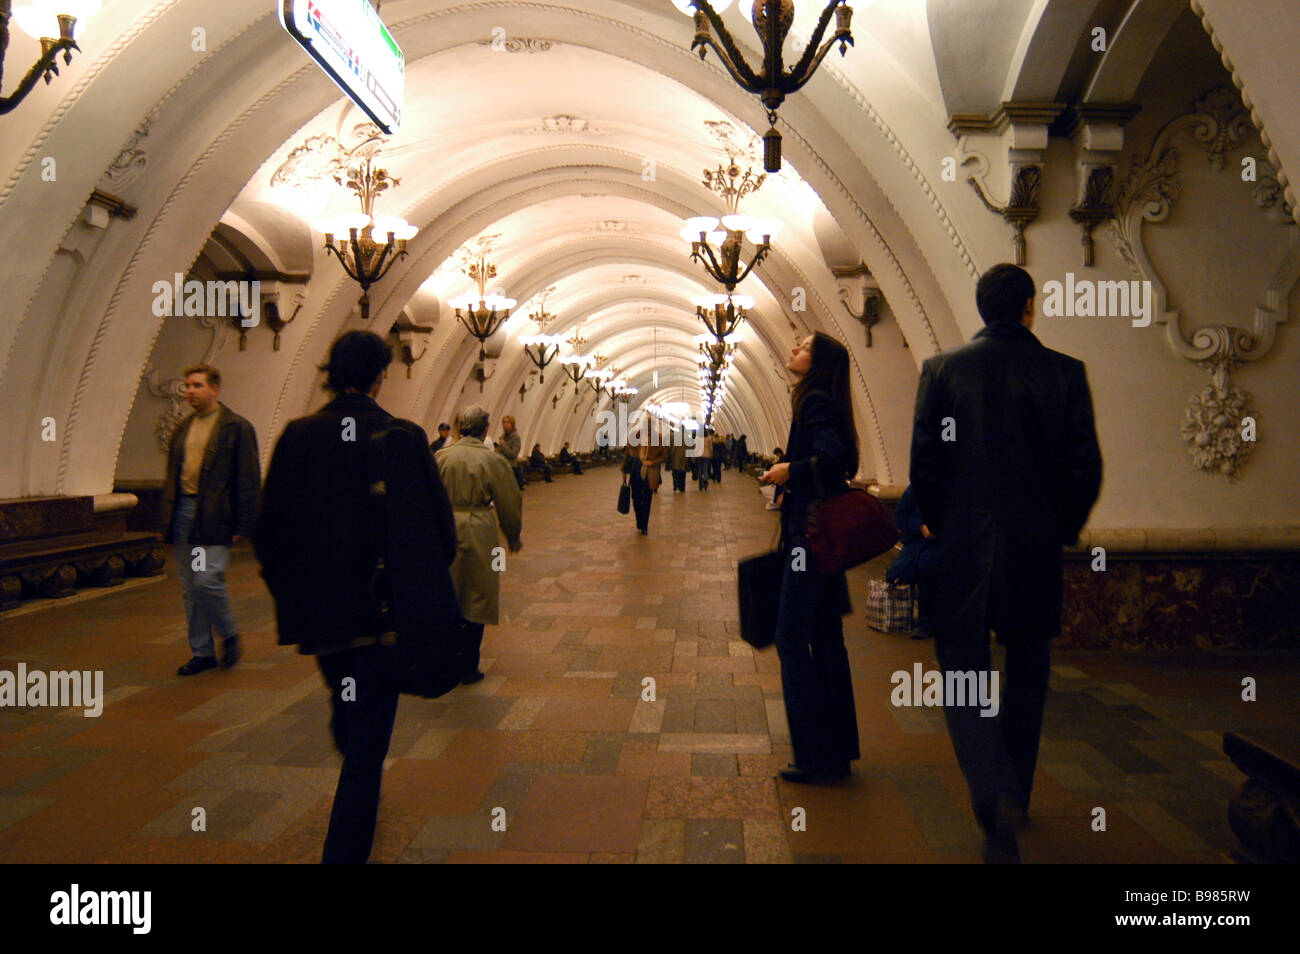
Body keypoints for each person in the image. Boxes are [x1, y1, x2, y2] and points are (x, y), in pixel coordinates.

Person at [910, 263, 1102, 863]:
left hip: (966, 549)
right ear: (1028, 306)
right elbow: (1082, 467)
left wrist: (944, 525)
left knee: (963, 668)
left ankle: (989, 793)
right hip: (1033, 550)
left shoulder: (943, 370)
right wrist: (1058, 529)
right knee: (1027, 670)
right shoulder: (1064, 374)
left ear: (981, 307)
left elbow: (927, 464)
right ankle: (1015, 787)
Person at [254, 330, 459, 864]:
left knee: (348, 698)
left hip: (322, 621)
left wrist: (291, 594)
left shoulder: (296, 436)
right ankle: (343, 853)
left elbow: (269, 531)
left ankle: (346, 720)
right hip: (381, 615)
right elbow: (441, 535)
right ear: (378, 376)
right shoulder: (403, 438)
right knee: (368, 741)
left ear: (328, 371)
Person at [759, 332, 860, 783]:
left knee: (790, 637)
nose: (793, 348)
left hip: (809, 538)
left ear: (819, 363)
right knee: (827, 637)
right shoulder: (826, 399)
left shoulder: (815, 399)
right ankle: (836, 751)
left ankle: (815, 753)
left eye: (803, 346)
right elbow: (844, 463)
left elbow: (833, 461)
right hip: (823, 537)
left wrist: (789, 471)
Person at [161, 364, 260, 676]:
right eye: (188, 385)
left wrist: (244, 524)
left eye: (198, 385)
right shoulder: (183, 428)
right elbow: (172, 477)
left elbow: (248, 478)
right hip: (183, 513)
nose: (190, 391)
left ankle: (229, 634)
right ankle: (202, 652)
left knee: (207, 579)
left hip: (215, 515)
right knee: (191, 588)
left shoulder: (236, 427)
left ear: (215, 389)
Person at [436, 405, 523, 683]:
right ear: (486, 429)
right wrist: (512, 535)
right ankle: (468, 665)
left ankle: (448, 659)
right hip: (479, 525)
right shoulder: (492, 461)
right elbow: (509, 501)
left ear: (460, 427)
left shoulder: (441, 457)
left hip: (447, 527)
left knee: (450, 591)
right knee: (477, 593)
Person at [885, 485, 939, 639]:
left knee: (927, 564)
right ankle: (925, 618)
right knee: (896, 574)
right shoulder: (916, 488)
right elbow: (900, 518)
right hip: (918, 542)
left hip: (944, 545)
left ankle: (927, 620)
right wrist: (921, 527)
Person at [497, 414, 526, 491]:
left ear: (512, 424)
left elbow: (513, 454)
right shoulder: (504, 436)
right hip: (501, 467)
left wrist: (503, 445)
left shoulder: (515, 437)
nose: (505, 424)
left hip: (510, 468)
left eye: (508, 422)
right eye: (504, 422)